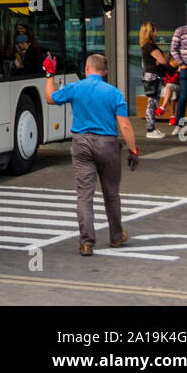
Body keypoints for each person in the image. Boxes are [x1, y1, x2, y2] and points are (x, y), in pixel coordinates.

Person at [46, 53, 138, 256]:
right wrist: (133, 150)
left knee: (84, 195)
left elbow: (50, 98)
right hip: (107, 144)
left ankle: (87, 242)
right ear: (104, 72)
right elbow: (124, 124)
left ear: (87, 68)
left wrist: (49, 75)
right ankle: (116, 236)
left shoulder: (75, 88)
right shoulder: (114, 92)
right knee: (111, 193)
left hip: (81, 144)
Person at [139, 22, 169, 139]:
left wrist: (160, 60)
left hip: (152, 75)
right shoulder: (150, 46)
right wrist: (164, 57)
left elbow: (158, 60)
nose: (156, 33)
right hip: (153, 76)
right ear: (149, 32)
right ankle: (150, 129)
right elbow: (163, 60)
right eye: (155, 30)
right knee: (152, 103)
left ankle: (152, 127)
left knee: (153, 102)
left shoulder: (147, 45)